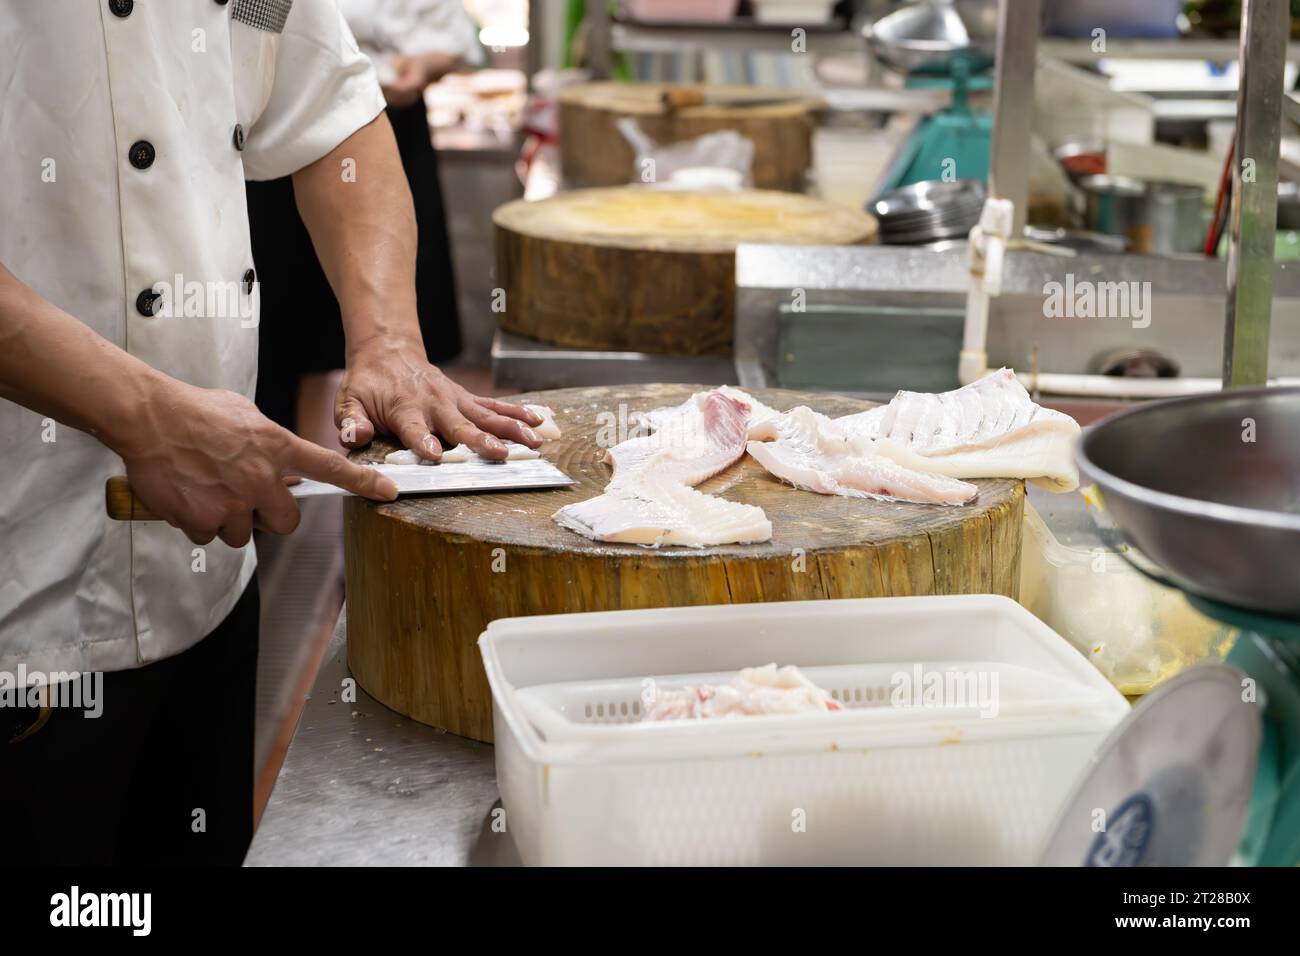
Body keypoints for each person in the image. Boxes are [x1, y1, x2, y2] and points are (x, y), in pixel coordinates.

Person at [0, 0, 541, 866]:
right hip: (22, 601)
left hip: (208, 572)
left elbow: (333, 114)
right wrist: (144, 414)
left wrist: (390, 341)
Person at [250, 0, 482, 432]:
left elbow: (327, 94)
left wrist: (389, 345)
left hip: (375, 126)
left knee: (330, 333)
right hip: (258, 143)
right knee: (275, 329)